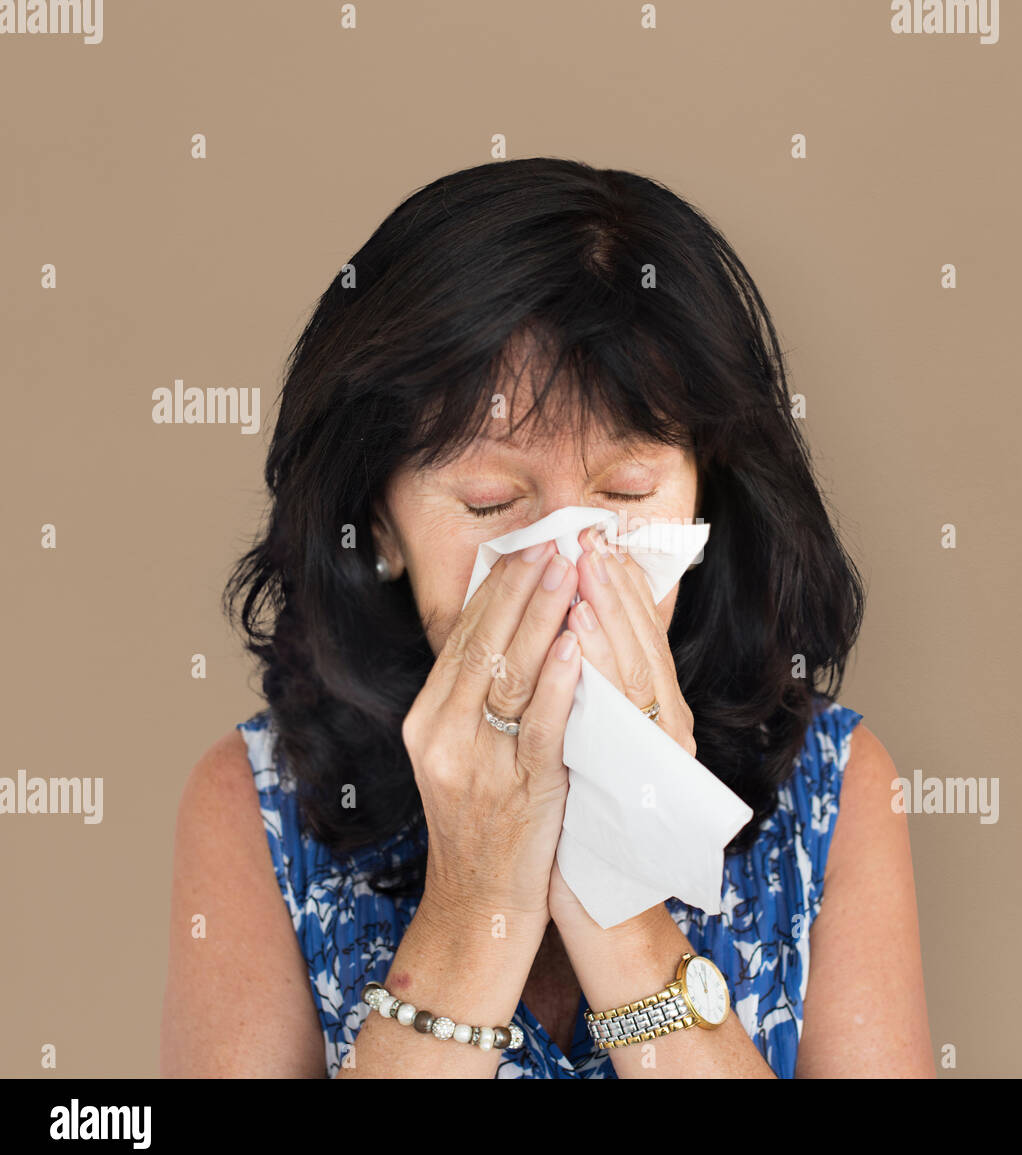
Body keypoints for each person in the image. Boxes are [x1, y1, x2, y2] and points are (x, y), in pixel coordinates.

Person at [159, 157, 934, 1078]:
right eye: (491, 504)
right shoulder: (255, 802)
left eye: (626, 492)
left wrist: (618, 877)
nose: (569, 560)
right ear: (379, 523)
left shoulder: (835, 787)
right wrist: (476, 895)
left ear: (701, 500)